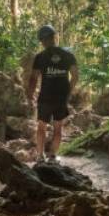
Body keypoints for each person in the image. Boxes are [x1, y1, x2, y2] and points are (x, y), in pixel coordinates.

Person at [26, 25, 78, 162]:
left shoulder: (40, 57)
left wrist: (30, 95)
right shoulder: (68, 55)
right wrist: (69, 91)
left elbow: (33, 78)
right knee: (58, 128)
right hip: (61, 98)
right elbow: (75, 76)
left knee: (41, 127)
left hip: (45, 97)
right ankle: (53, 156)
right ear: (54, 37)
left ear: (42, 41)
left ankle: (40, 156)